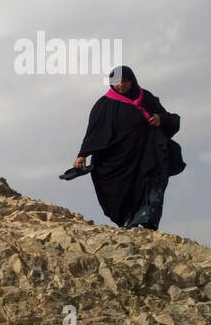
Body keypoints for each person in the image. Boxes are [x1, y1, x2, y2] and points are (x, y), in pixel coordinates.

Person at [73, 65, 181, 230]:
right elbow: (94, 133)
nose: (120, 85)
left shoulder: (146, 98)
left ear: (132, 81)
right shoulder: (104, 105)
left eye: (124, 81)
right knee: (123, 194)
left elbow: (170, 118)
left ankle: (148, 221)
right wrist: (82, 155)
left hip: (148, 156)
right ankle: (130, 223)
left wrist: (160, 119)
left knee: (153, 183)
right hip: (120, 162)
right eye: (116, 82)